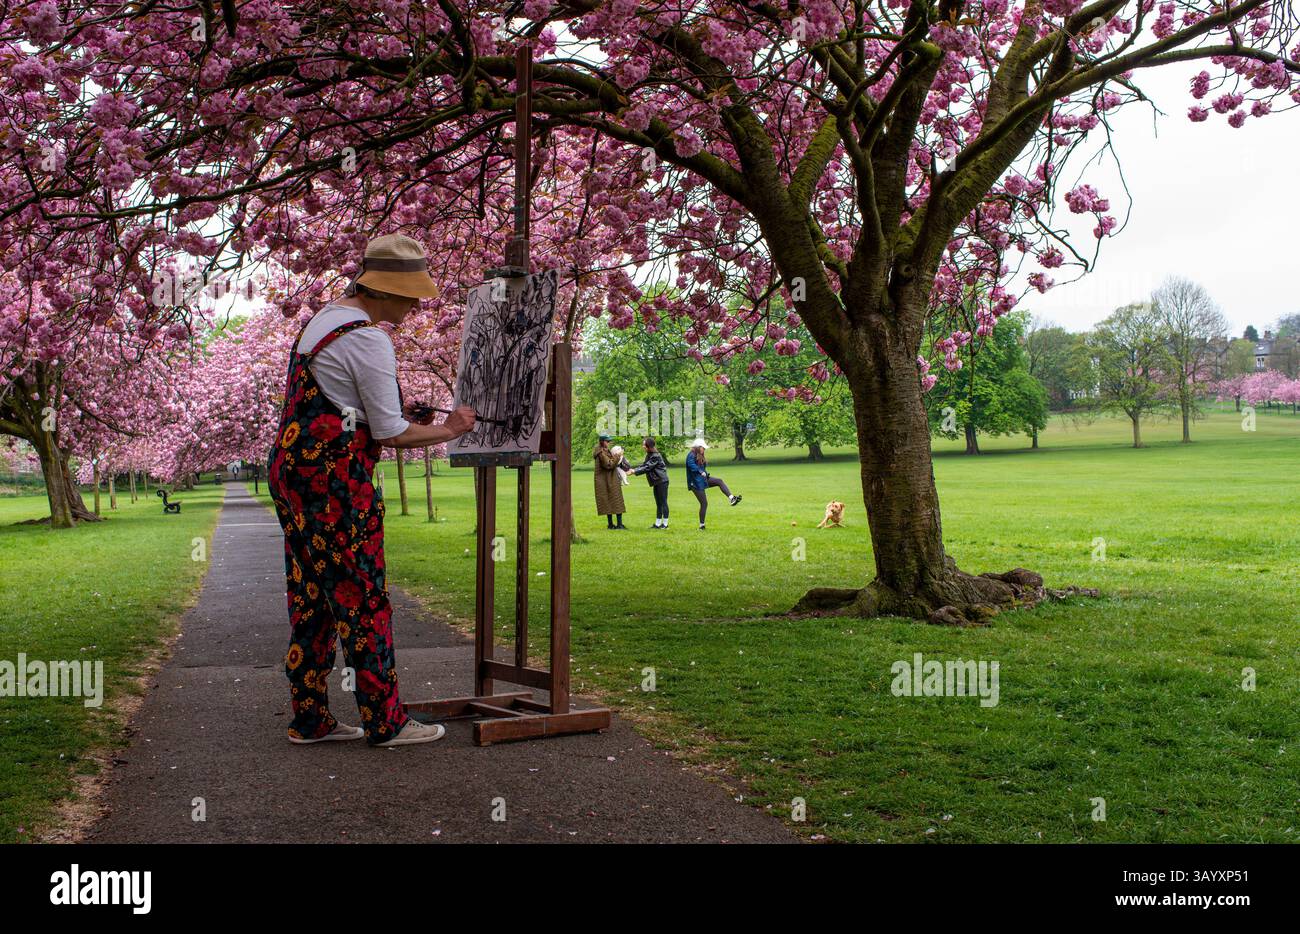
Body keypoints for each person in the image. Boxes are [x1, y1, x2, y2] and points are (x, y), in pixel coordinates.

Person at [267, 233, 476, 748]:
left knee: (312, 594)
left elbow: (345, 404)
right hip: (336, 482)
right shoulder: (367, 336)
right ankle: (386, 721)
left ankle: (310, 717)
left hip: (294, 473)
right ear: (385, 290)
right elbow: (392, 433)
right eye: (409, 296)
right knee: (363, 596)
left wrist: (395, 416)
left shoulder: (323, 321)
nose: (414, 306)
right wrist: (451, 429)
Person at [685, 439, 740, 530]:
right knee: (704, 503)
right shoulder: (690, 455)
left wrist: (704, 473)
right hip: (695, 483)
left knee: (719, 481)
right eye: (703, 448)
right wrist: (700, 471)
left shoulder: (700, 455)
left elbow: (702, 467)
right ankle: (702, 526)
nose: (704, 450)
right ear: (698, 447)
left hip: (703, 479)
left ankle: (732, 498)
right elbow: (691, 466)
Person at [631, 436, 670, 529]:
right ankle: (657, 524)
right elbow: (644, 465)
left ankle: (665, 524)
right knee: (658, 503)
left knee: (663, 502)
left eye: (644, 445)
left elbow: (647, 467)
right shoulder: (649, 454)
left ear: (649, 445)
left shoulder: (655, 455)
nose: (643, 446)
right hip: (657, 481)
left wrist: (634, 472)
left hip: (662, 481)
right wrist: (634, 469)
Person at [593, 433, 627, 529]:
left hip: (609, 479)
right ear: (602, 442)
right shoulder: (600, 452)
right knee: (613, 500)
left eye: (609, 441)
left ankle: (614, 524)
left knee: (615, 500)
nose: (609, 443)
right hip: (605, 480)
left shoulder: (604, 450)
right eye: (607, 441)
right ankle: (615, 525)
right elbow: (609, 465)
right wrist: (618, 456)